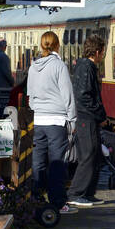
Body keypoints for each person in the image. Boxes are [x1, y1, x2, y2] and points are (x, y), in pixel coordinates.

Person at [26, 31, 76, 214]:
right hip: (56, 121)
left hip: (39, 120)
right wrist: (72, 119)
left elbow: (30, 96)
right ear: (57, 45)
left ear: (41, 46)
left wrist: (37, 109)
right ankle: (58, 202)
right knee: (57, 163)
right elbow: (67, 95)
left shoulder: (33, 67)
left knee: (38, 161)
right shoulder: (59, 66)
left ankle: (36, 199)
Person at [68, 33, 108, 206]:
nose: (103, 56)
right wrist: (100, 115)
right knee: (88, 155)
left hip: (89, 118)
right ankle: (76, 194)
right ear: (97, 52)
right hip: (87, 119)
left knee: (96, 155)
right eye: (103, 52)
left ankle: (89, 192)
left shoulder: (85, 67)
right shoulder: (86, 68)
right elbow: (84, 96)